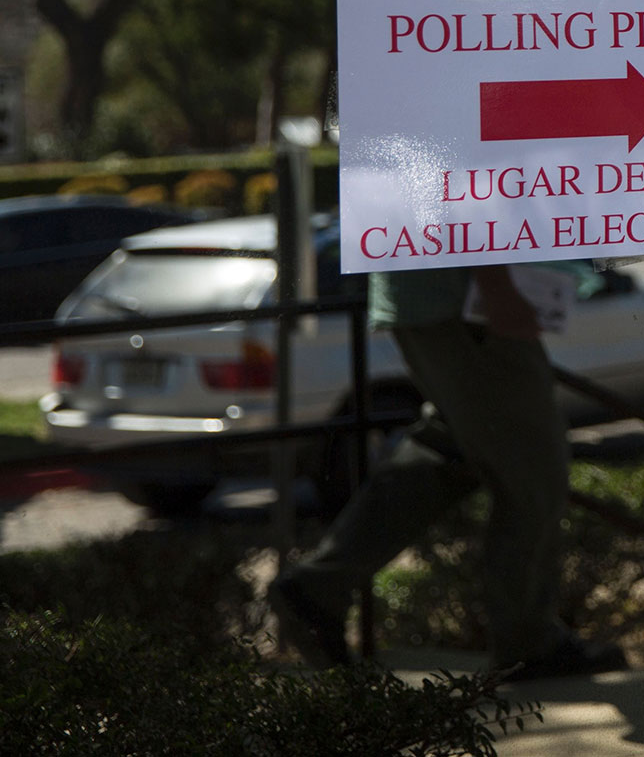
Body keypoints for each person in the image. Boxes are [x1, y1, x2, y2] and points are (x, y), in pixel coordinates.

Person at [268, 262, 626, 680]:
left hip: (437, 297)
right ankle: (529, 643)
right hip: (467, 300)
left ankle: (317, 587)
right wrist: (498, 287)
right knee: (534, 467)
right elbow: (470, 197)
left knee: (451, 448)